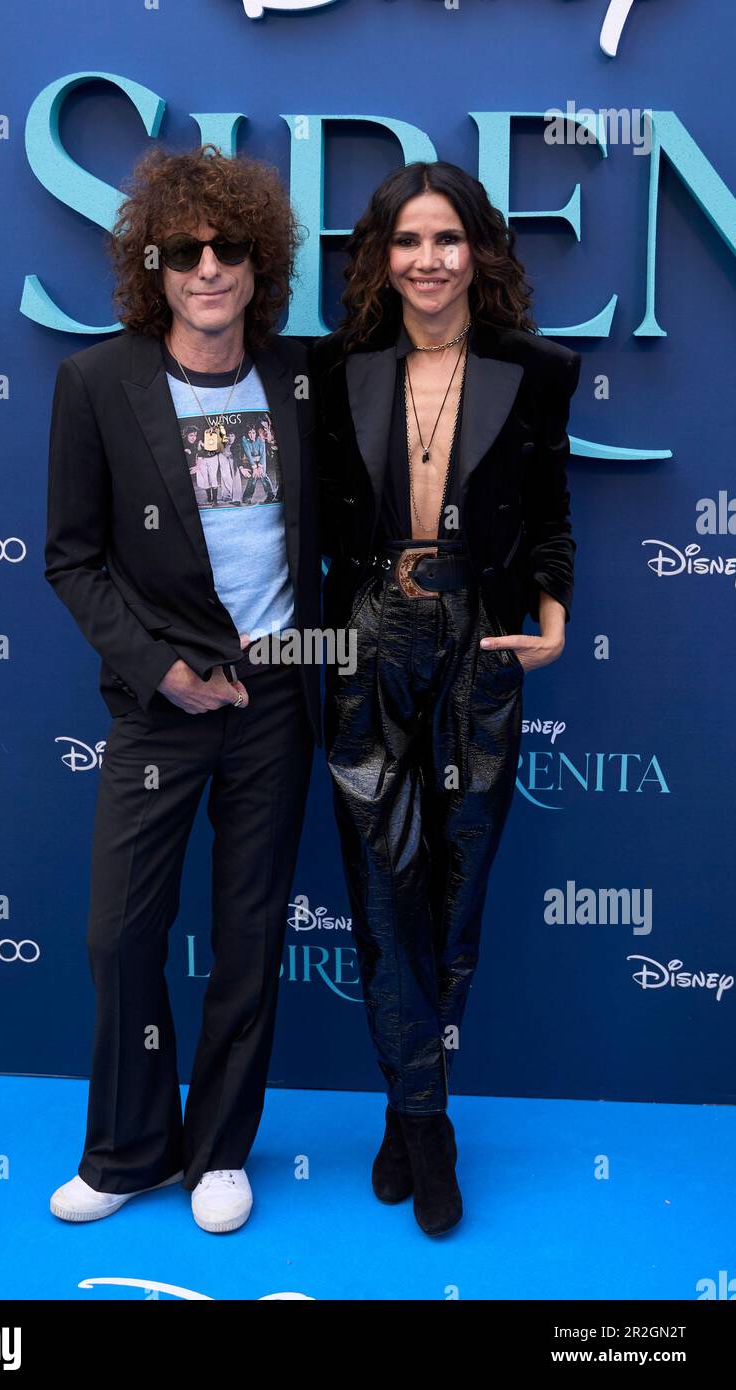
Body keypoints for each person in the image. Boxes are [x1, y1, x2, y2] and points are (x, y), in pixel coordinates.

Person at [45, 143, 320, 1233]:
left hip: (277, 700)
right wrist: (161, 668)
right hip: (160, 703)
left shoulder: (302, 378)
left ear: (260, 263)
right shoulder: (95, 383)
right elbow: (72, 558)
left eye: (230, 248)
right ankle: (128, 1152)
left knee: (249, 934)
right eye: (185, 251)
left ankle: (219, 1152)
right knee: (119, 935)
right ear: (151, 267)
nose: (209, 267)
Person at [308, 161, 581, 1236]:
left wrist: (553, 613)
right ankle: (424, 1124)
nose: (428, 260)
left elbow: (551, 508)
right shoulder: (333, 369)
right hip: (367, 631)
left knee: (455, 889)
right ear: (382, 257)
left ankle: (409, 1105)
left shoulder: (536, 369)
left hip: (481, 634)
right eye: (407, 240)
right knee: (383, 886)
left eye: (447, 238)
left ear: (479, 252)